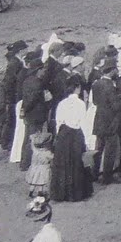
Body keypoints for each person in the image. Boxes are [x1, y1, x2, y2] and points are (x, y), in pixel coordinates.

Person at [49, 76, 94, 204]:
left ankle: (61, 193)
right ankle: (75, 194)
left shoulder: (61, 103)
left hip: (63, 134)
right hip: (75, 135)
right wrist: (87, 141)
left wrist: (59, 136)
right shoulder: (80, 104)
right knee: (76, 163)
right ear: (77, 88)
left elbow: (58, 122)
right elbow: (83, 123)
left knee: (62, 164)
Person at [25, 129, 55, 199]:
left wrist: (33, 139)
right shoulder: (47, 153)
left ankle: (31, 192)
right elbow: (53, 157)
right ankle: (40, 194)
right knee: (40, 183)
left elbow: (32, 145)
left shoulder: (35, 151)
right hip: (43, 169)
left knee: (33, 182)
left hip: (34, 168)